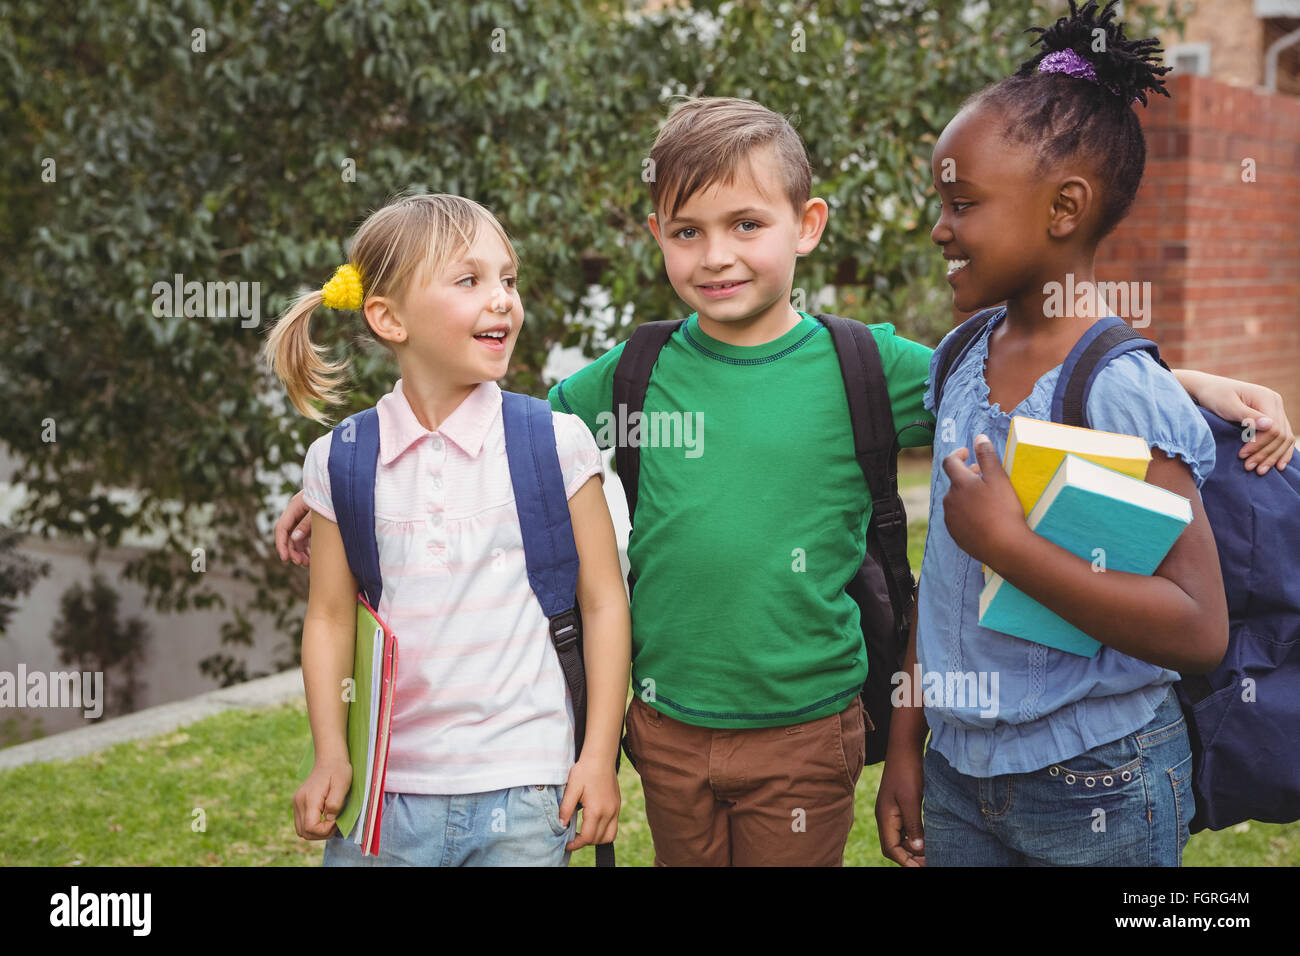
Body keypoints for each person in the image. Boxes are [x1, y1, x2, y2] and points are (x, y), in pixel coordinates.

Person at [273, 99, 1292, 866]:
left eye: (745, 225)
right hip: (662, 727)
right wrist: (350, 483)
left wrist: (1177, 378)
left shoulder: (868, 365)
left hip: (809, 727)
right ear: (659, 240)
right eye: (687, 232)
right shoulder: (626, 375)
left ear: (804, 226)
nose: (716, 255)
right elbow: (488, 426)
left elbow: (1009, 386)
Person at [876, 0, 1263, 867]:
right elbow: (943, 577)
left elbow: (1198, 626)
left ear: (1063, 210)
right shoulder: (960, 358)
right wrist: (908, 738)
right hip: (960, 774)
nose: (940, 227)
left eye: (962, 203)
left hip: (1100, 778)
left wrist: (1010, 545)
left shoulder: (1117, 391)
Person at [268, 193, 630, 866]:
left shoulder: (557, 443)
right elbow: (328, 620)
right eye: (470, 280)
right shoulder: (341, 459)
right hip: (382, 795)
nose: (502, 300)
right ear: (388, 318)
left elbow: (606, 603)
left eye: (508, 279)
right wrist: (329, 754)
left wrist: (599, 756)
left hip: (526, 788)